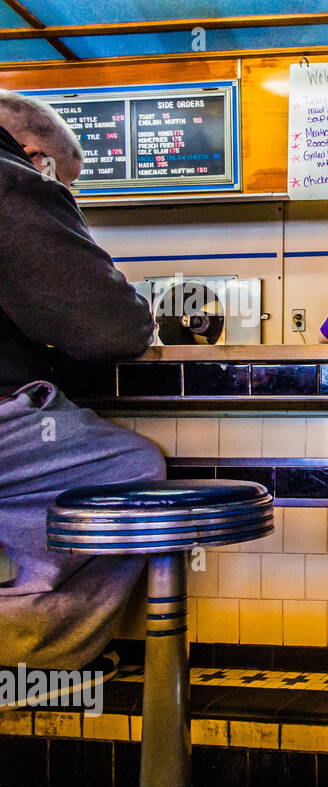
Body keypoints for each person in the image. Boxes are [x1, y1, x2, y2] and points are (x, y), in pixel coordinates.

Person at [0, 90, 164, 674]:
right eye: (65, 181)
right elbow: (108, 331)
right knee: (130, 469)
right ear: (35, 155)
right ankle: (34, 649)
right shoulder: (14, 182)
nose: (67, 197)